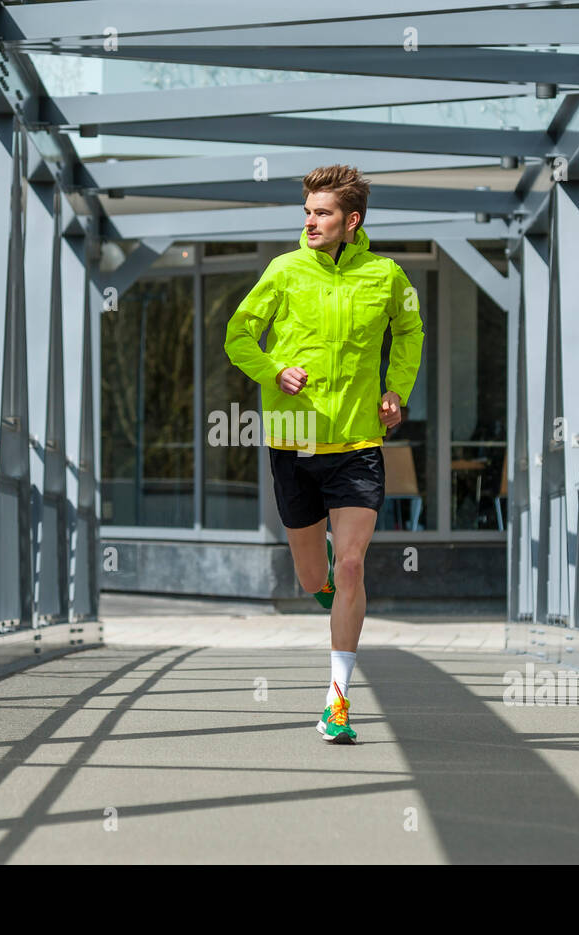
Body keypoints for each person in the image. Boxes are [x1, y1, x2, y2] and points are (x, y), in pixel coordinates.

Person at [223, 164, 424, 744]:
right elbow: (238, 334)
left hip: (358, 442)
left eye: (322, 212)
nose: (310, 221)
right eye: (308, 211)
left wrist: (397, 389)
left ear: (351, 220)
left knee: (353, 564)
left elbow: (410, 332)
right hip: (295, 441)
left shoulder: (386, 275)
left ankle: (337, 702)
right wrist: (273, 370)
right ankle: (339, 604)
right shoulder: (283, 271)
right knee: (315, 576)